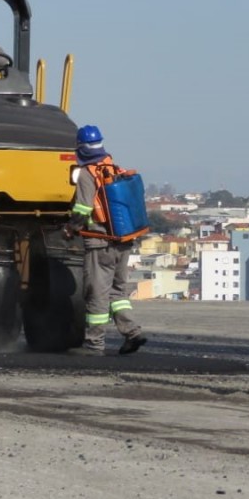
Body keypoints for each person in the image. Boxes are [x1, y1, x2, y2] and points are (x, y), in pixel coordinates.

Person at [63, 125, 148, 356]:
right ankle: (132, 333)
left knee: (97, 293)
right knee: (117, 292)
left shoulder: (87, 173)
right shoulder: (113, 168)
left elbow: (83, 209)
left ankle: (94, 344)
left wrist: (70, 229)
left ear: (80, 147)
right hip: (123, 241)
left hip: (100, 242)